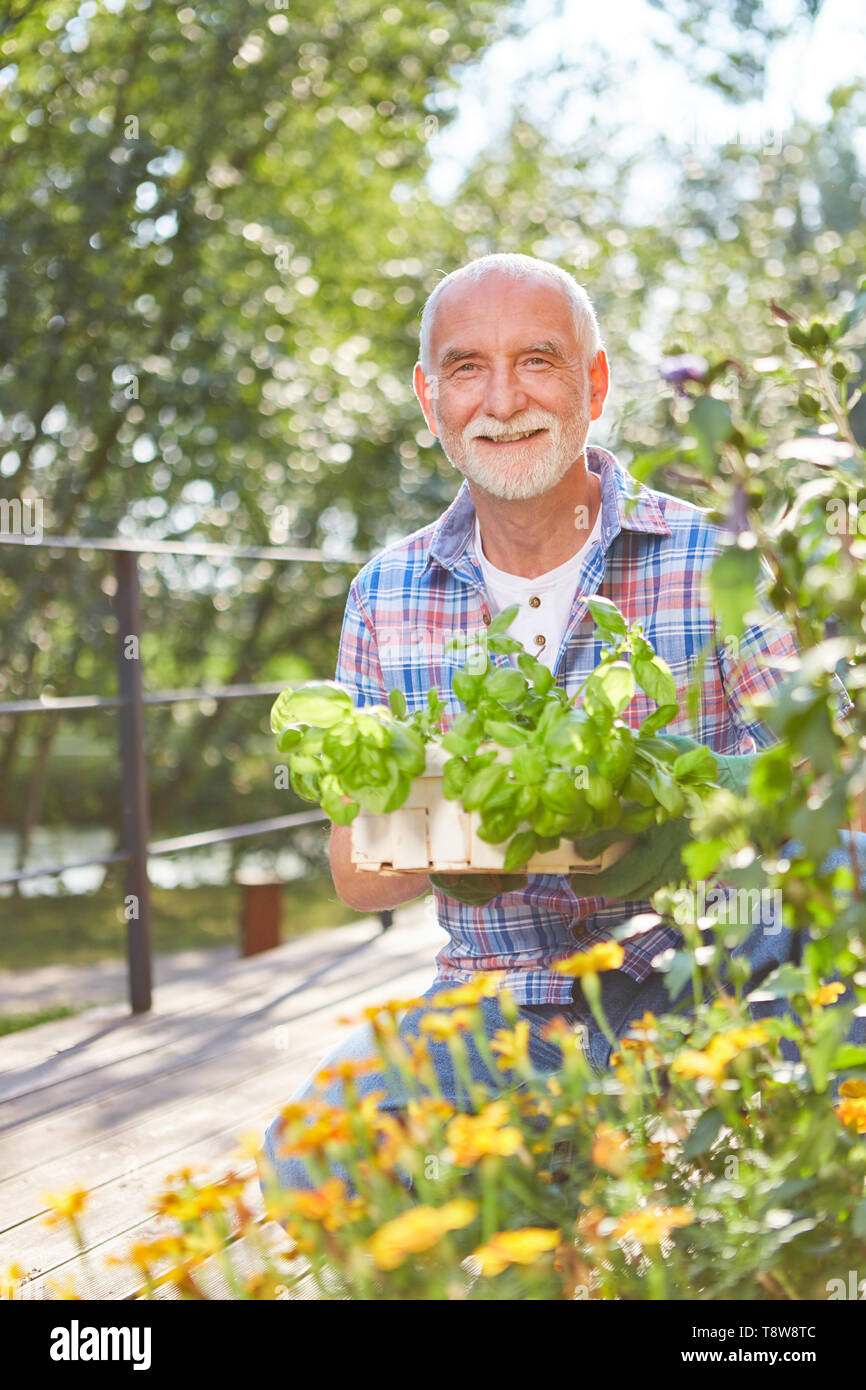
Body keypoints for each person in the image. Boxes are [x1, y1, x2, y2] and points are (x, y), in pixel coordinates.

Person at [259, 252, 862, 1196]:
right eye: (467, 368)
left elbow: (843, 798)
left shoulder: (718, 556)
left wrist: (680, 813)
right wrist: (464, 829)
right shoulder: (387, 590)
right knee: (311, 1166)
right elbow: (353, 874)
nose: (503, 400)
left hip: (709, 974)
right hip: (503, 1001)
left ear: (594, 382)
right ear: (430, 398)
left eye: (537, 361)